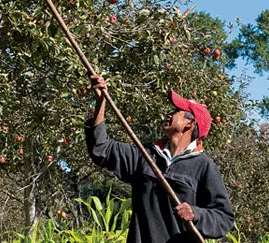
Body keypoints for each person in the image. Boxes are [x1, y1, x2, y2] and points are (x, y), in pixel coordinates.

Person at [84, 73, 234, 242]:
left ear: (189, 124)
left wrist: (196, 214)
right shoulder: (146, 154)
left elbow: (224, 218)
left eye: (177, 111)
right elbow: (101, 149)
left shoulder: (203, 165)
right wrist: (101, 102)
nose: (169, 114)